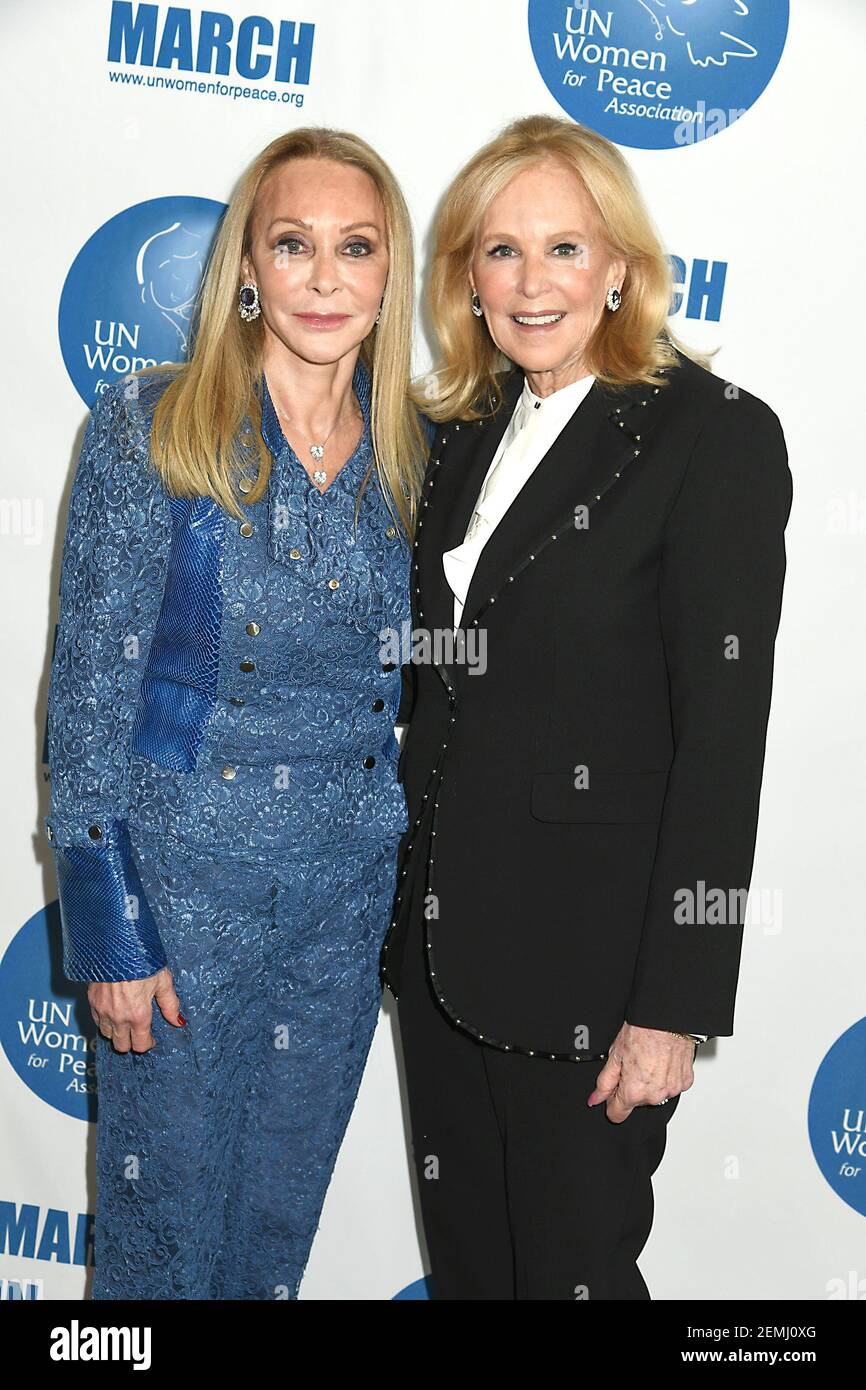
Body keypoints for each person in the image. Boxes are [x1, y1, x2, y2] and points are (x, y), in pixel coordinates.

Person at [380, 114, 793, 1300]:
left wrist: (672, 1005)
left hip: (588, 978)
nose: (530, 281)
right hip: (439, 956)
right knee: (471, 1278)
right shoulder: (454, 437)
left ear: (619, 266)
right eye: (499, 251)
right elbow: (430, 682)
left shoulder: (709, 437)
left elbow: (722, 738)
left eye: (563, 248)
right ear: (465, 275)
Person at [44, 126, 429, 1300]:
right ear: (247, 269)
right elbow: (89, 698)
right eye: (294, 243)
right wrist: (110, 928)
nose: (324, 276)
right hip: (183, 895)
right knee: (158, 1245)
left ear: (385, 277)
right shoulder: (149, 424)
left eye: (355, 248)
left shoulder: (420, 450)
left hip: (341, 902)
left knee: (271, 1239)